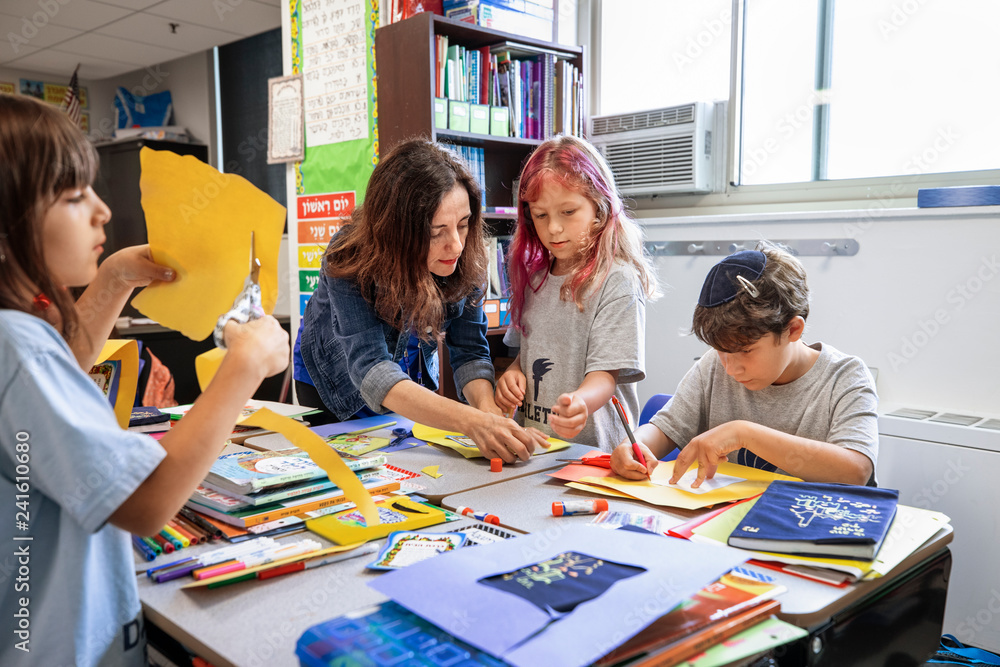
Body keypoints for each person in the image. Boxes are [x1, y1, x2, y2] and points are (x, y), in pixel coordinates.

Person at [0, 94, 290, 667]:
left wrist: (114, 278)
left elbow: (57, 377)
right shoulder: (17, 345)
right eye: (74, 195)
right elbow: (144, 501)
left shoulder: (18, 341)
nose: (103, 211)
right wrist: (244, 367)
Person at [295, 138, 547, 462]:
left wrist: (488, 413)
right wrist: (471, 421)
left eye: (463, 224)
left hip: (407, 378)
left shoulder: (465, 255)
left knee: (407, 469)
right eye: (436, 231)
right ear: (396, 231)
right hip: (336, 384)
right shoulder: (349, 256)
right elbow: (372, 369)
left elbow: (470, 351)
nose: (456, 245)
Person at [611, 244, 879, 487]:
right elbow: (665, 428)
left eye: (746, 351)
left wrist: (744, 433)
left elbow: (856, 471)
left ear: (793, 329)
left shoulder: (845, 376)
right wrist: (635, 445)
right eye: (721, 351)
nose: (731, 369)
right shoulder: (713, 366)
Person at [493, 135, 660, 451]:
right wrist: (511, 376)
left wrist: (580, 402)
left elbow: (605, 376)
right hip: (538, 449)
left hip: (594, 455)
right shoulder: (534, 279)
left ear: (600, 207)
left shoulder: (617, 280)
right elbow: (524, 357)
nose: (553, 228)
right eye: (541, 215)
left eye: (568, 212)